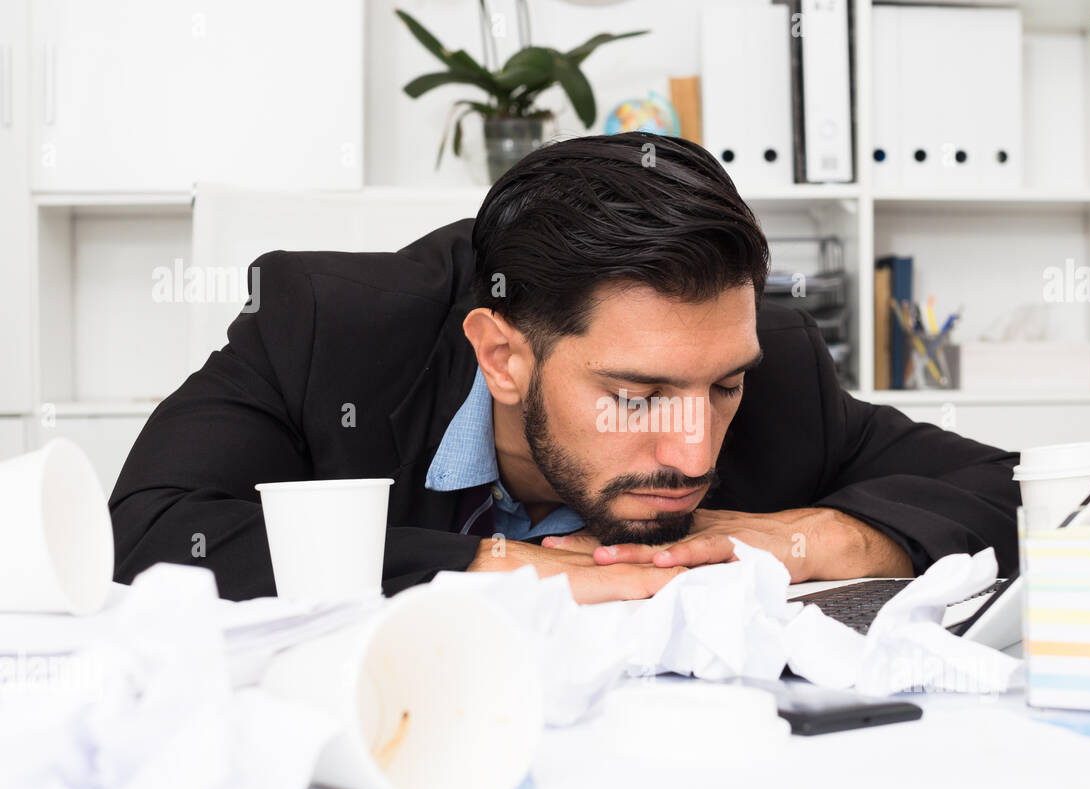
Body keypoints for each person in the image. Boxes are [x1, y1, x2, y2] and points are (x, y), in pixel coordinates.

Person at [109, 133, 1019, 603]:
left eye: (723, 388)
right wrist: (491, 567)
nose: (696, 453)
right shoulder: (322, 330)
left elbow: (1010, 490)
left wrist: (813, 538)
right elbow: (152, 531)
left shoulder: (770, 360)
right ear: (502, 357)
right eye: (638, 396)